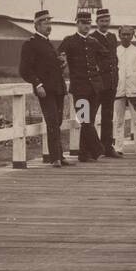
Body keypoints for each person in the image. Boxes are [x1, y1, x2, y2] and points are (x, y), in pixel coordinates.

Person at [59, 10, 115, 161]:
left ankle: (84, 154)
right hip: (80, 89)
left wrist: (99, 69)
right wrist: (63, 60)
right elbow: (60, 56)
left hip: (95, 88)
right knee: (85, 120)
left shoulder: (93, 42)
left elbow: (107, 58)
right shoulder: (69, 41)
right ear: (77, 23)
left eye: (88, 23)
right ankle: (98, 148)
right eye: (83, 23)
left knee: (88, 121)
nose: (86, 26)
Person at [18, 9, 70, 166]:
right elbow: (25, 70)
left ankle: (59, 156)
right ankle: (55, 158)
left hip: (58, 89)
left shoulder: (48, 44)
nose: (49, 25)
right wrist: (37, 84)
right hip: (45, 90)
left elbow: (50, 68)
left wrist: (62, 63)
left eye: (50, 22)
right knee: (52, 121)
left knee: (58, 121)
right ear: (37, 25)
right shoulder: (30, 44)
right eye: (46, 22)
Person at [113, 25, 136, 156]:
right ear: (119, 35)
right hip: (119, 89)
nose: (126, 37)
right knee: (119, 120)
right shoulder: (115, 51)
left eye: (129, 34)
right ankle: (118, 148)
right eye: (123, 34)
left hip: (133, 90)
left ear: (132, 35)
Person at [92, 7, 119, 156]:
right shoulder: (92, 37)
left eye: (107, 20)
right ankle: (93, 148)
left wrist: (116, 79)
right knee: (91, 116)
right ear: (97, 22)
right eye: (102, 21)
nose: (105, 23)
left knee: (108, 116)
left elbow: (114, 59)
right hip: (98, 84)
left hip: (111, 83)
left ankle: (107, 147)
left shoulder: (112, 37)